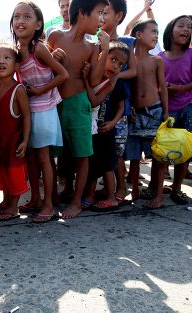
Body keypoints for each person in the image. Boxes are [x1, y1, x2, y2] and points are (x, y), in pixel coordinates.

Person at [48, 0, 110, 219]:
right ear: (82, 13)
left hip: (79, 103)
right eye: (100, 13)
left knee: (82, 154)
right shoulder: (55, 36)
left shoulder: (92, 46)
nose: (102, 19)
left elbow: (93, 80)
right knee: (56, 153)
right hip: (55, 102)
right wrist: (53, 59)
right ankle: (53, 196)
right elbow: (44, 67)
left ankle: (76, 201)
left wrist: (104, 51)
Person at [10, 1, 68, 223]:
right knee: (31, 158)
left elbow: (62, 75)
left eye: (26, 17)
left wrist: (38, 91)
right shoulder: (16, 51)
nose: (20, 21)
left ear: (38, 24)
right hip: (28, 111)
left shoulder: (38, 48)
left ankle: (48, 205)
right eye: (16, 17)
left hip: (44, 109)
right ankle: (35, 198)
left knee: (44, 158)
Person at [82, 41, 130, 211]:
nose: (116, 66)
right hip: (93, 129)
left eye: (121, 64)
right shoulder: (97, 76)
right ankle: (90, 194)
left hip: (106, 129)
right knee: (94, 164)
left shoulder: (113, 83)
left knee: (108, 166)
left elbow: (99, 102)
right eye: (113, 59)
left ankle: (111, 197)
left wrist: (113, 123)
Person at [126, 19, 168, 209]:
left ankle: (158, 195)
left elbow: (163, 87)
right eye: (152, 31)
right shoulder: (128, 60)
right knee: (134, 156)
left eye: (157, 32)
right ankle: (134, 190)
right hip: (135, 113)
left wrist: (166, 112)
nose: (156, 35)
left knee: (157, 156)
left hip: (154, 111)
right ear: (139, 35)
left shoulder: (157, 60)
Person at [0, 43, 31, 221]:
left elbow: (27, 117)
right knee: (2, 172)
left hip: (14, 143)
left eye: (7, 58)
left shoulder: (18, 89)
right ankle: (6, 201)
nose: (1, 62)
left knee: (14, 174)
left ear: (17, 66)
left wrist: (25, 141)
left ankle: (13, 207)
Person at [159, 15, 192, 205]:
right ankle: (156, 188)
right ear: (170, 29)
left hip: (189, 105)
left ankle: (177, 188)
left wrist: (180, 88)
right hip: (168, 109)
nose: (186, 30)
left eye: (189, 27)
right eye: (181, 26)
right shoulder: (159, 58)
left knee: (186, 149)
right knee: (163, 149)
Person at [99, 0, 137, 203]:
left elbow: (133, 70)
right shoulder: (95, 41)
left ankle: (121, 188)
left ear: (119, 16)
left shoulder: (127, 42)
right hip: (99, 104)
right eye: (99, 13)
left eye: (105, 12)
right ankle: (107, 188)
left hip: (119, 106)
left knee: (117, 150)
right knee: (103, 149)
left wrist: (115, 77)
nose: (101, 17)